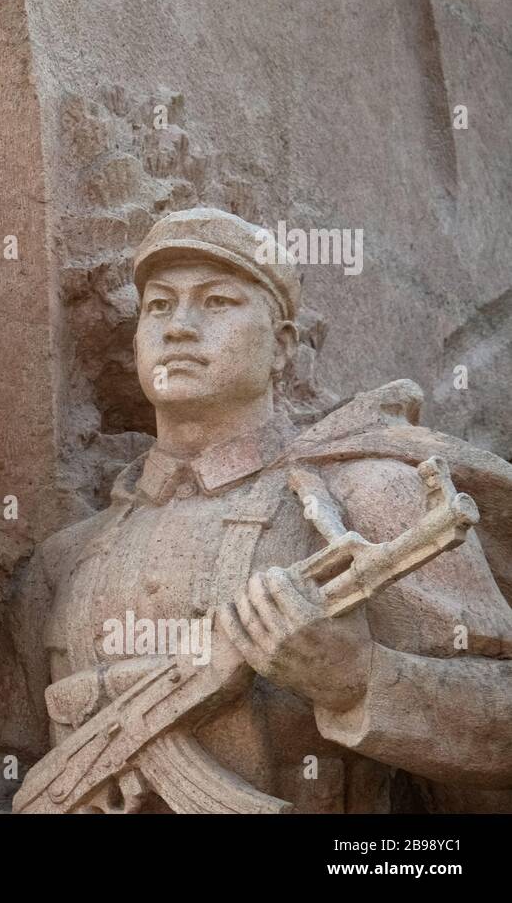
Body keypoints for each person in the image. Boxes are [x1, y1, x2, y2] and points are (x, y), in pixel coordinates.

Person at [31, 207, 512, 812]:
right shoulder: (63, 562)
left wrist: (357, 679)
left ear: (282, 346)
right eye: (158, 306)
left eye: (217, 303)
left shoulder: (369, 498)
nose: (179, 327)